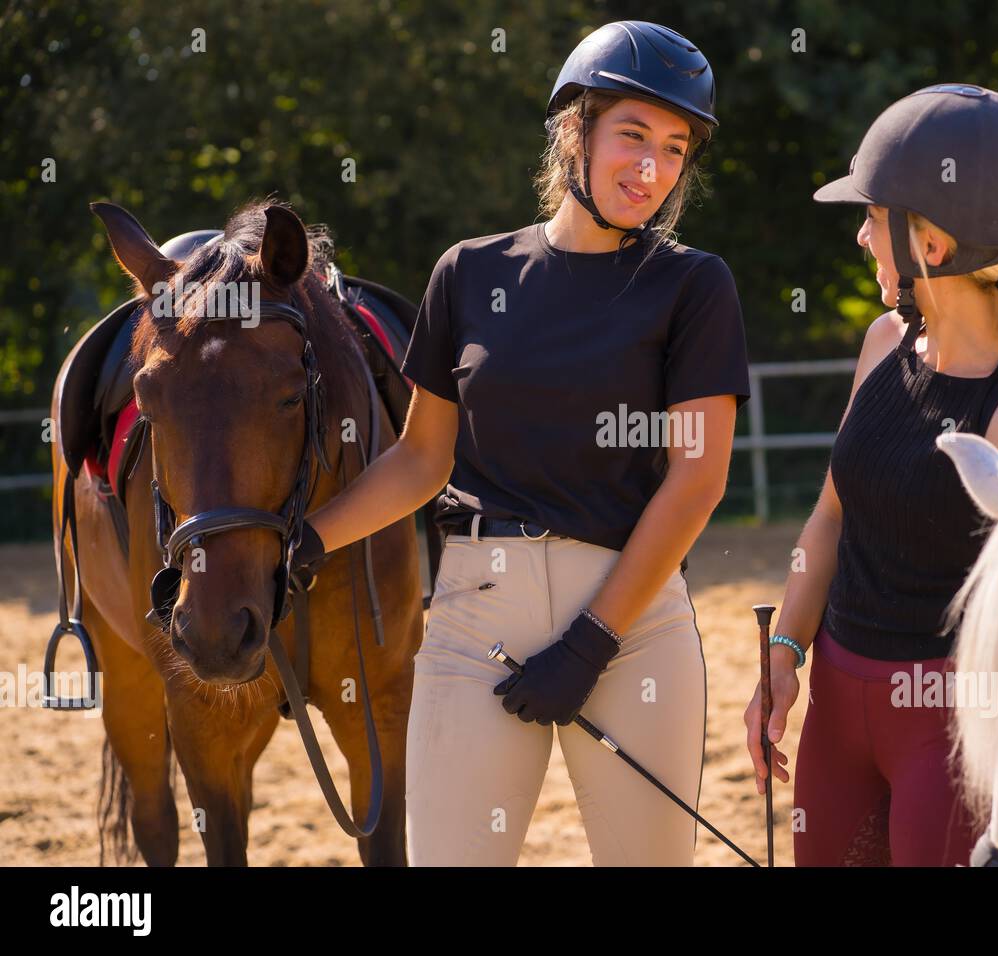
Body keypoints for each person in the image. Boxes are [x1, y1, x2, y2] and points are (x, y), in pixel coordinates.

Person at [294, 21, 750, 865]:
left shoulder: (693, 286)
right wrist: (307, 541)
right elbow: (423, 458)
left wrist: (592, 643)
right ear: (575, 132)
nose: (650, 168)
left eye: (675, 148)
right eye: (632, 136)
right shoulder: (468, 272)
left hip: (633, 624)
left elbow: (697, 480)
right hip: (475, 617)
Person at [743, 84, 998, 866]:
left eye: (871, 218)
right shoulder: (884, 343)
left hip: (950, 732)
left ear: (933, 244)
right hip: (834, 714)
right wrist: (784, 650)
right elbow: (829, 515)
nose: (860, 237)